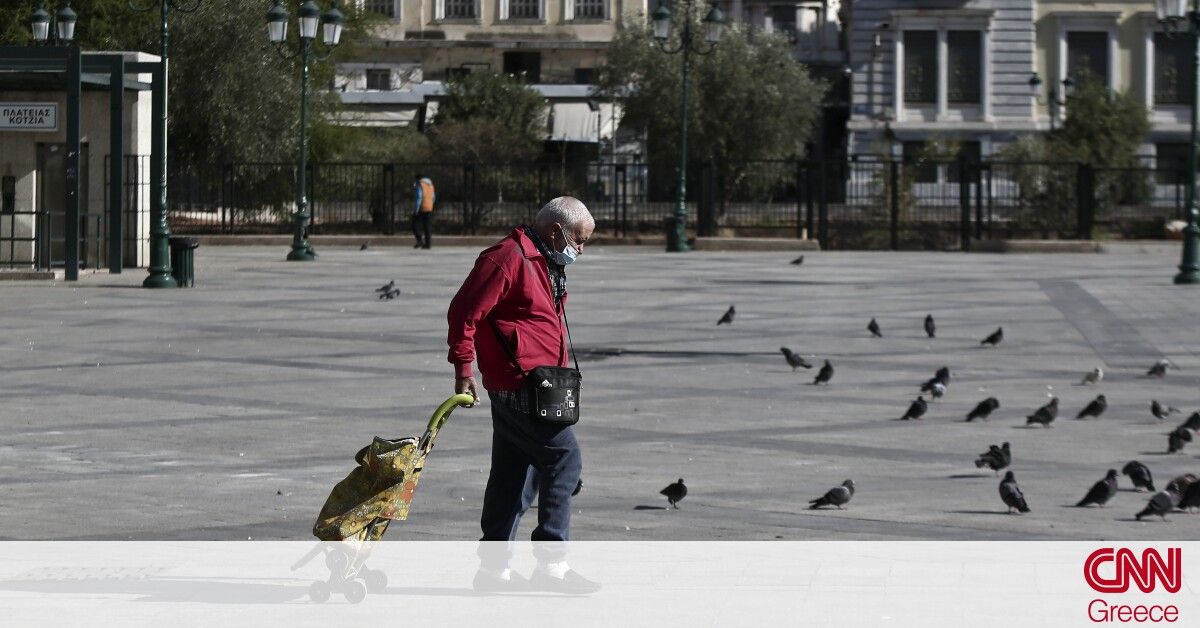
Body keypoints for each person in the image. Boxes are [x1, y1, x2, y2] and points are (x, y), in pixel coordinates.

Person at [446, 197, 598, 594]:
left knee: (514, 476)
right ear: (555, 231)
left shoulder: (545, 260)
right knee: (565, 458)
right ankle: (552, 566)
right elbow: (464, 312)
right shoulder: (507, 258)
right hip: (519, 383)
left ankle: (493, 571)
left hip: (541, 383)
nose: (580, 250)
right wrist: (464, 366)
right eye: (579, 241)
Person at [412, 173, 435, 249]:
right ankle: (428, 244)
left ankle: (419, 241)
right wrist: (431, 205)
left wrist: (416, 209)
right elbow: (433, 197)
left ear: (418, 179)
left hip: (422, 207)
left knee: (414, 224)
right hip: (429, 207)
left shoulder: (420, 184)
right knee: (427, 226)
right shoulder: (430, 185)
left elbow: (419, 197)